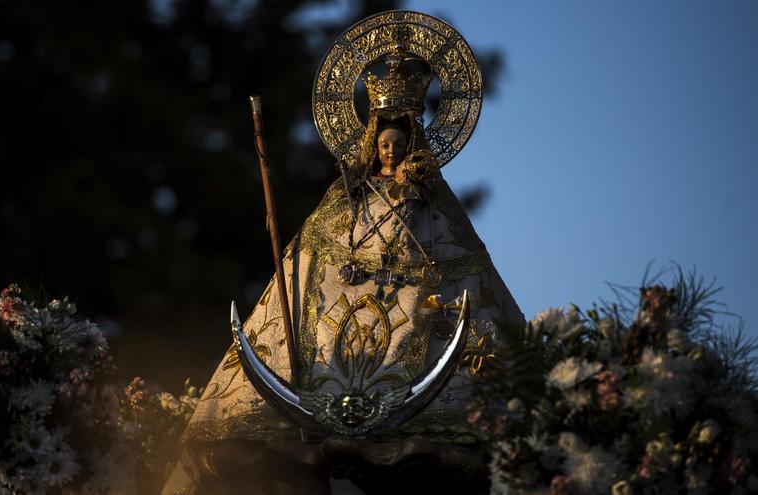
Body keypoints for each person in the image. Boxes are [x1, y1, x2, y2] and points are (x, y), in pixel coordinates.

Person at [162, 11, 524, 494]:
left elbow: (455, 263)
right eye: (384, 145)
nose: (391, 153)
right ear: (371, 143)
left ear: (412, 143)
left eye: (399, 144)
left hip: (416, 326)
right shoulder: (343, 202)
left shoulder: (434, 209)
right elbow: (313, 262)